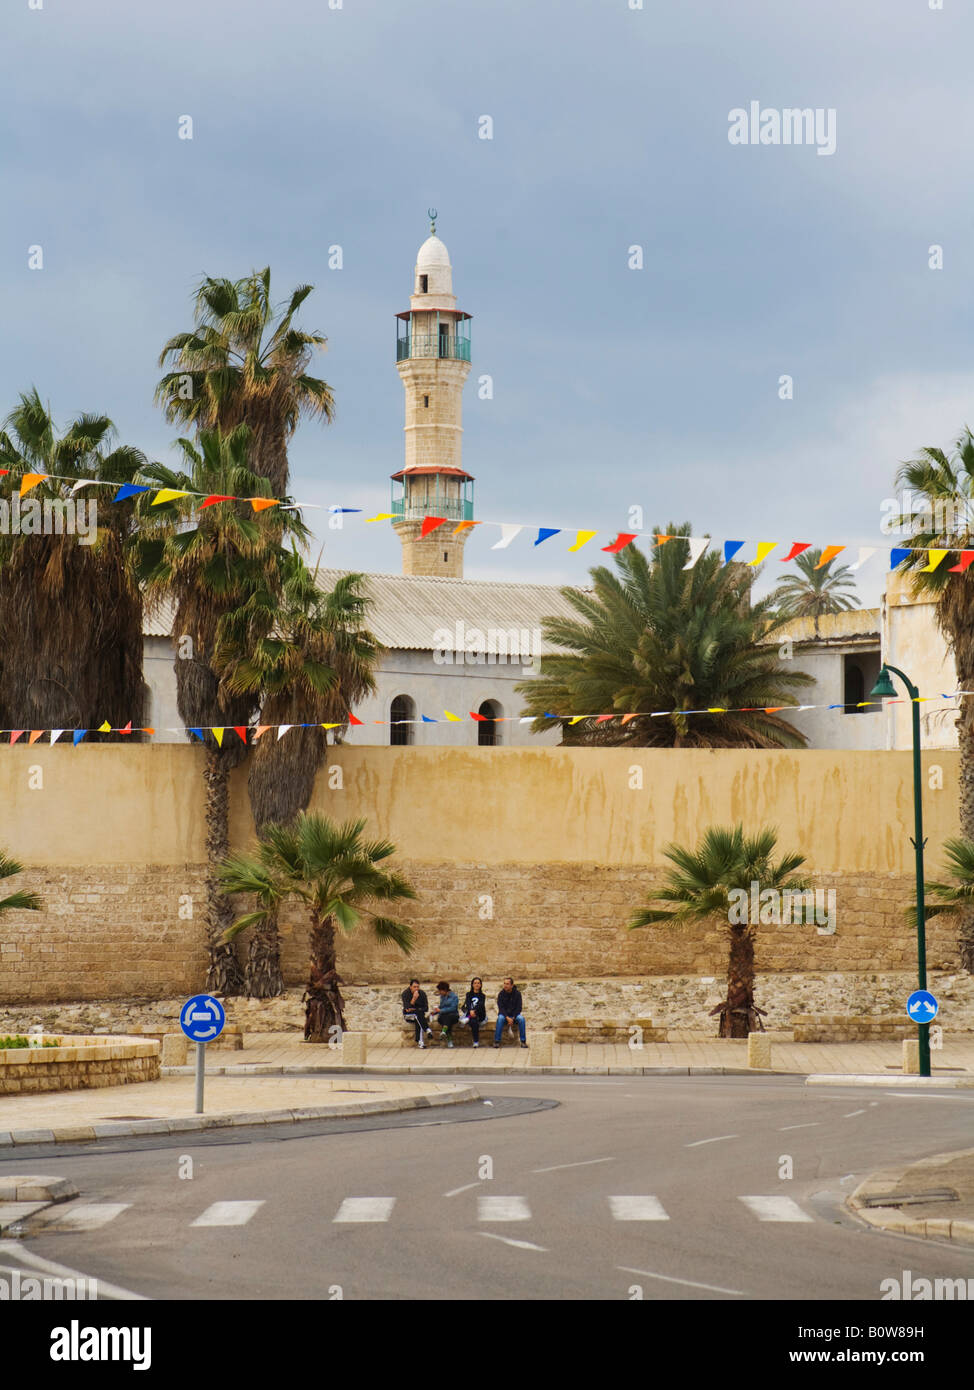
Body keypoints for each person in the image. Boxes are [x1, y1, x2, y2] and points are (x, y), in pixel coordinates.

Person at [493, 977, 527, 1048]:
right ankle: (497, 1041)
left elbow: (519, 1007)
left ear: (512, 985)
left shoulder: (517, 994)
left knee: (521, 1019)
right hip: (504, 1015)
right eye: (504, 983)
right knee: (500, 1019)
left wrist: (513, 1017)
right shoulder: (501, 994)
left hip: (515, 1015)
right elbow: (501, 1008)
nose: (505, 985)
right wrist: (507, 1017)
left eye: (507, 984)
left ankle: (523, 1041)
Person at [401, 978, 432, 1048]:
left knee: (418, 1017)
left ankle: (420, 1042)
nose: (416, 989)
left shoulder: (422, 994)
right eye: (414, 987)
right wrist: (413, 999)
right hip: (409, 1016)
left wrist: (415, 1009)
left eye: (418, 987)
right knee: (418, 1015)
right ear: (410, 987)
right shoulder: (405, 994)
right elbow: (407, 1009)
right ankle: (427, 1029)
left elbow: (426, 1008)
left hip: (418, 1015)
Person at [458, 976, 487, 1047]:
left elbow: (481, 1005)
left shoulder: (482, 995)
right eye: (475, 983)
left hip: (479, 1014)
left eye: (478, 983)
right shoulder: (469, 994)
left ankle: (467, 1018)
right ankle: (476, 1041)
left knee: (475, 1017)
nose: (477, 985)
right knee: (474, 1022)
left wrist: (474, 1011)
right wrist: (471, 1011)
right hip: (471, 1013)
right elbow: (468, 1003)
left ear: (480, 985)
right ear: (472, 985)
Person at [431, 981, 460, 1047]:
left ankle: (448, 1037)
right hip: (444, 1016)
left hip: (453, 1015)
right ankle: (444, 1032)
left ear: (445, 990)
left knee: (448, 1018)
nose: (440, 992)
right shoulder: (442, 997)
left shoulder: (454, 997)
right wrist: (435, 1012)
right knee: (445, 1020)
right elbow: (441, 1007)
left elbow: (453, 1008)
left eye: (440, 990)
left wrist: (441, 1010)